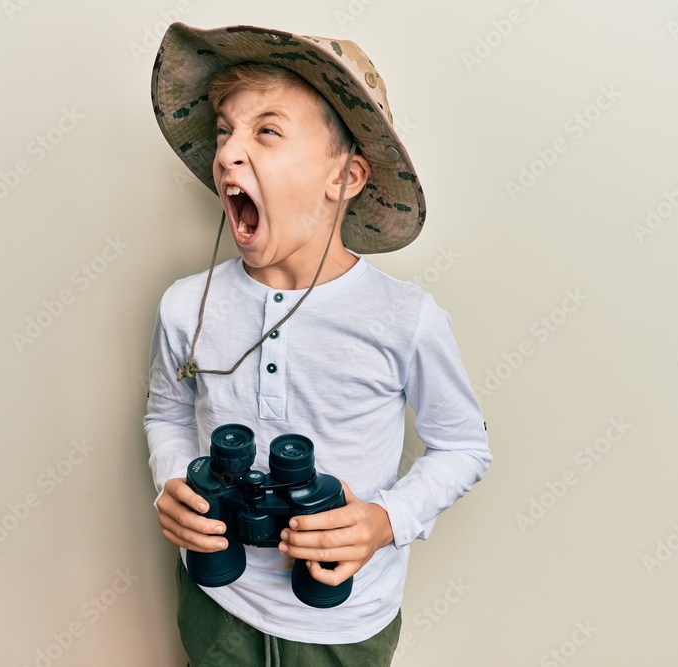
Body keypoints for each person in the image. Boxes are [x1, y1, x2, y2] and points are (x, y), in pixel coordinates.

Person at [144, 22, 492, 666]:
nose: (227, 154)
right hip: (216, 605)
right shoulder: (184, 305)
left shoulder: (404, 318)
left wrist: (384, 521)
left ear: (347, 175)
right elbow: (166, 414)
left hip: (344, 622)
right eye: (224, 131)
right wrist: (174, 483)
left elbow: (464, 444)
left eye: (266, 131)